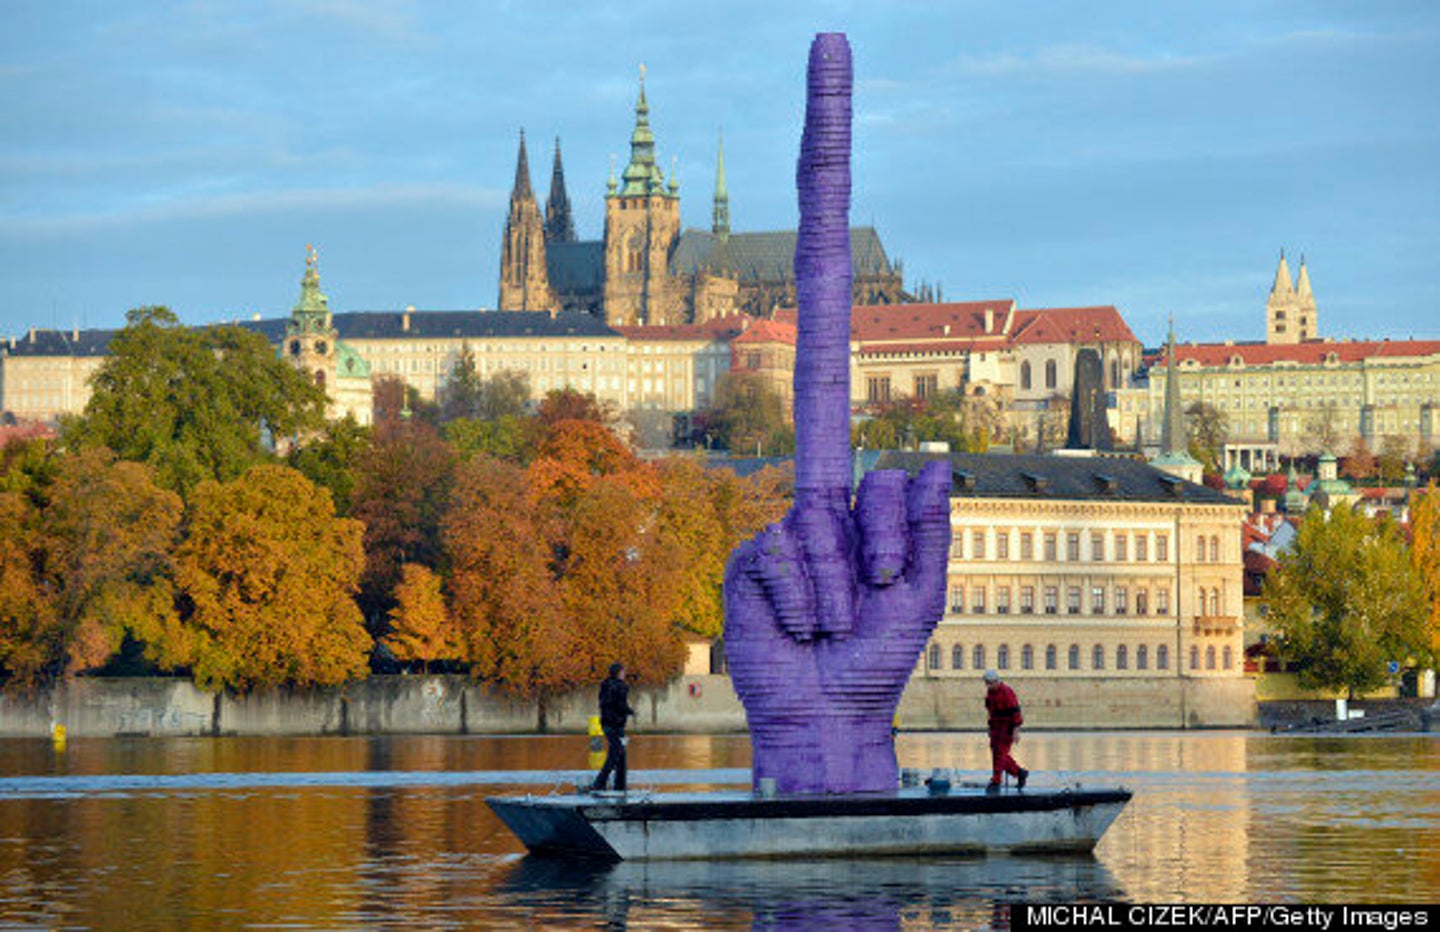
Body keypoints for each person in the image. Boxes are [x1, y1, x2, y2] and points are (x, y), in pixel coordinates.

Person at [590, 662, 636, 792]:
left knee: (620, 755)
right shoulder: (621, 687)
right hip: (616, 725)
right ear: (619, 672)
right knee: (616, 755)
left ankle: (619, 786)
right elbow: (620, 705)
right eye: (623, 671)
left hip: (606, 724)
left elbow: (605, 705)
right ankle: (600, 783)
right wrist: (630, 711)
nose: (625, 674)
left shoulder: (604, 685)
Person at [983, 669, 1028, 792]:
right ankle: (1019, 772)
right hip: (996, 727)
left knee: (1001, 753)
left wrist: (1016, 731)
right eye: (987, 683)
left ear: (996, 681)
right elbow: (990, 712)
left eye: (990, 683)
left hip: (1007, 727)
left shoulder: (1007, 692)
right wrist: (990, 727)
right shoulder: (989, 694)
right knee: (996, 753)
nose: (988, 685)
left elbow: (1016, 712)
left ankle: (996, 780)